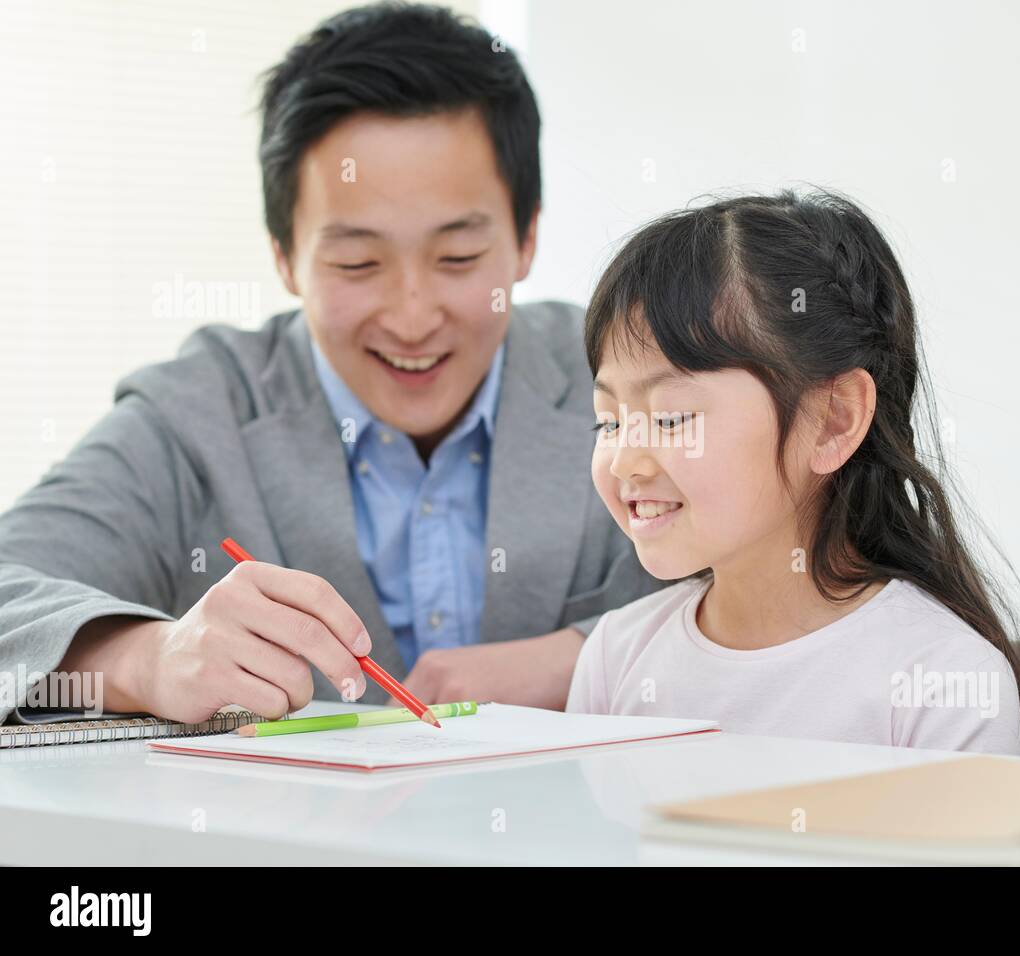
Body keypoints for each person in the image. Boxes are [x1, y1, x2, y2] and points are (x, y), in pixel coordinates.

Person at [0, 2, 662, 726]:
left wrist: (592, 653)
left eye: (458, 258)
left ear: (527, 237)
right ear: (283, 256)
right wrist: (146, 659)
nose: (412, 317)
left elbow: (781, 585)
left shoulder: (631, 378)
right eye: (357, 262)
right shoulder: (200, 413)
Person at [567, 189, 1020, 756]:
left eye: (672, 418)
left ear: (832, 421)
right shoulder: (616, 657)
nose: (626, 458)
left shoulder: (943, 681)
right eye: (609, 422)